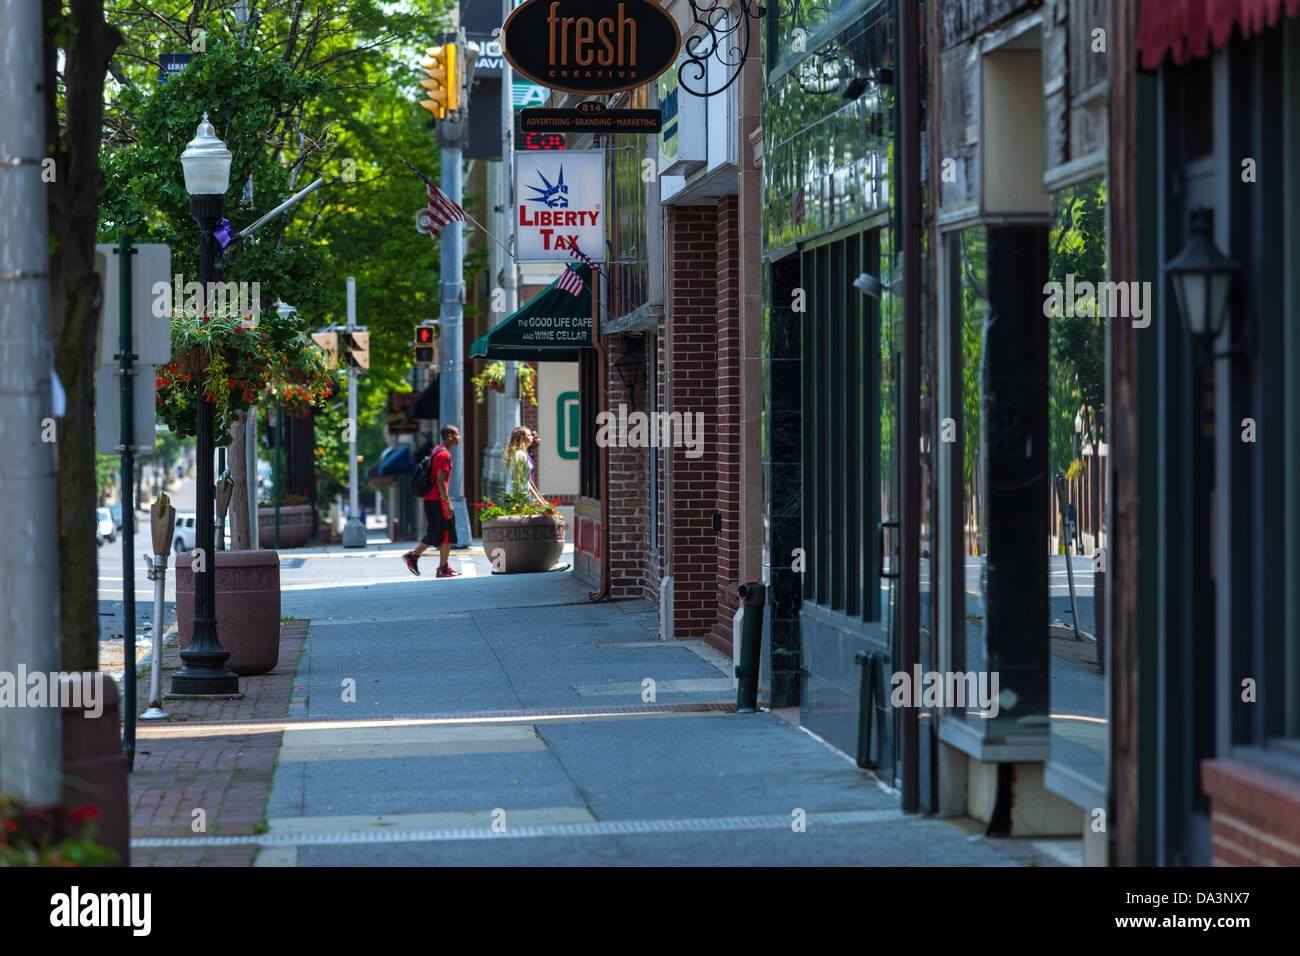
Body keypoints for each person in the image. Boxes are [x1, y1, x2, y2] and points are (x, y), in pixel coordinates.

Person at [403, 424, 461, 578]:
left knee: (439, 533)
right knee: (445, 532)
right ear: (450, 436)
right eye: (457, 434)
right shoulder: (444, 455)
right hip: (438, 499)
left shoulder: (437, 449)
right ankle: (416, 557)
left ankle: (441, 566)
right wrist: (448, 503)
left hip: (432, 498)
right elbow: (441, 481)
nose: (459, 437)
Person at [504, 426, 547, 506]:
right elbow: (517, 480)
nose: (532, 437)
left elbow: (528, 480)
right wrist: (520, 501)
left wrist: (539, 499)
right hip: (516, 497)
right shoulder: (519, 454)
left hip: (524, 496)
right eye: (529, 435)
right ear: (522, 438)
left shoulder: (524, 453)